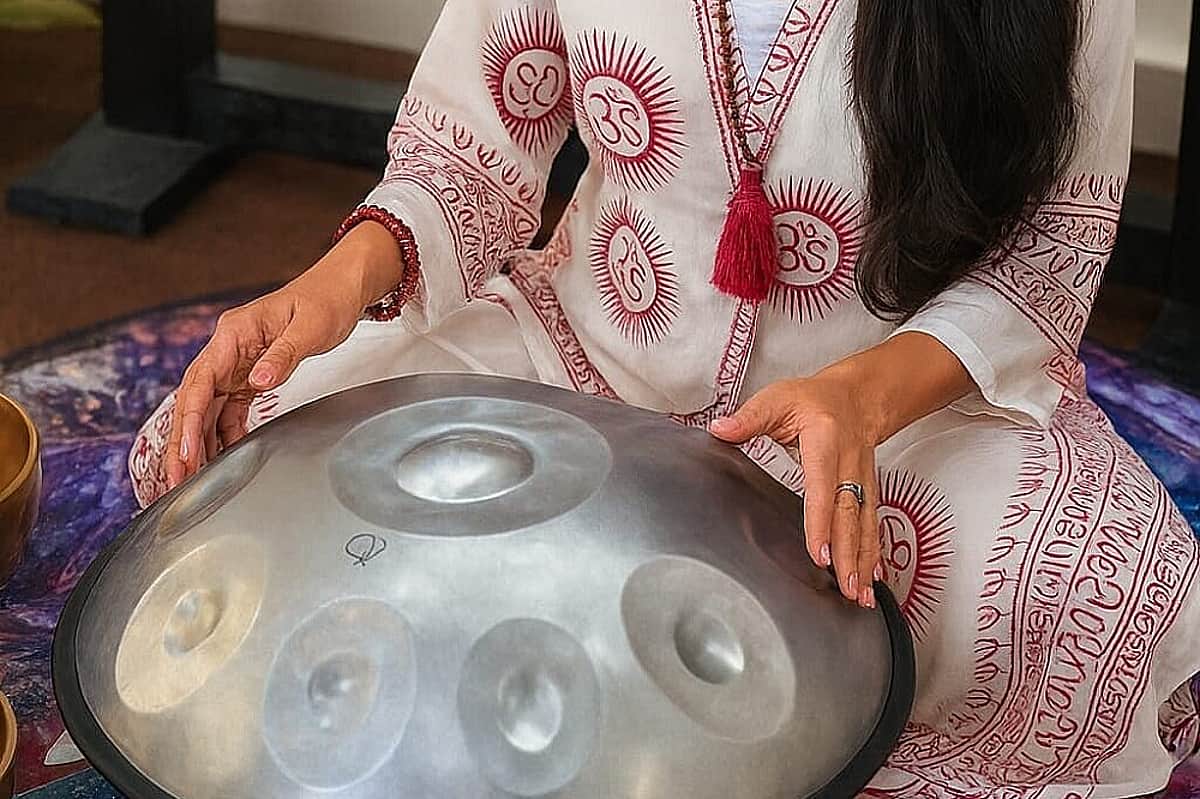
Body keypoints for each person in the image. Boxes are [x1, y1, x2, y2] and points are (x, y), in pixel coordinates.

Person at [129, 0, 1200, 795]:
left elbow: (1047, 254)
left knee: (1101, 591)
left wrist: (864, 397)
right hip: (582, 357)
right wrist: (338, 282)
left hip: (875, 417)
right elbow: (473, 152)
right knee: (237, 450)